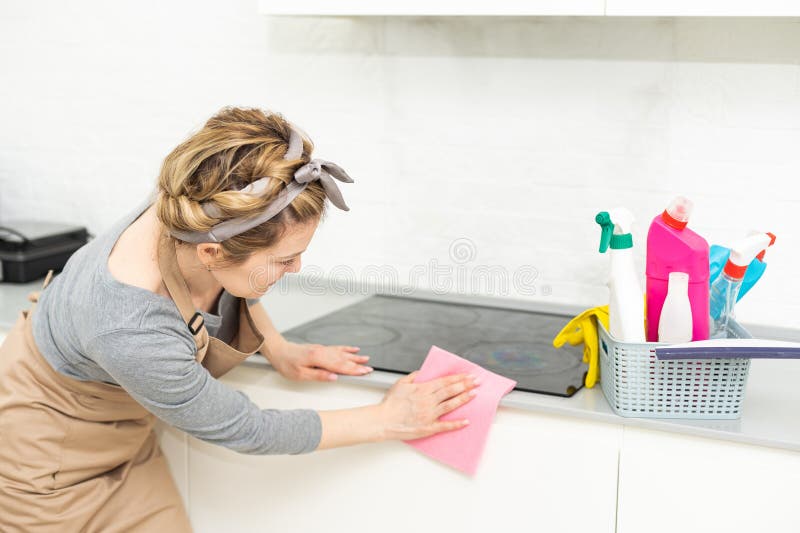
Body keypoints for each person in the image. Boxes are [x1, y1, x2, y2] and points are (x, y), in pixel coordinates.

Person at [0, 107, 479, 532]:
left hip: (127, 435)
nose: (296, 270)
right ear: (211, 252)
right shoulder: (129, 326)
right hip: (47, 469)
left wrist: (279, 348)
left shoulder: (196, 203)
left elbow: (231, 280)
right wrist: (387, 419)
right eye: (285, 260)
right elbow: (248, 428)